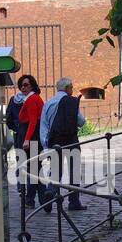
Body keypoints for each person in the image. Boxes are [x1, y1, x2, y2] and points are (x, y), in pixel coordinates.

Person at [38, 77, 86, 212]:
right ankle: (73, 202)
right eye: (71, 87)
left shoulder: (48, 103)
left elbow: (44, 127)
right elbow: (81, 122)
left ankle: (50, 193)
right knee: (74, 171)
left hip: (55, 142)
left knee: (55, 171)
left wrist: (46, 145)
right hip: (71, 140)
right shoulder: (71, 101)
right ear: (67, 88)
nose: (72, 89)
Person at [7, 74, 44, 209]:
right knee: (35, 168)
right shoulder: (31, 98)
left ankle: (31, 199)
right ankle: (44, 199)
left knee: (32, 169)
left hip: (31, 137)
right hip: (28, 136)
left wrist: (27, 139)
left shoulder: (32, 99)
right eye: (21, 85)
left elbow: (33, 121)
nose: (23, 87)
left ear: (32, 85)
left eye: (26, 84)